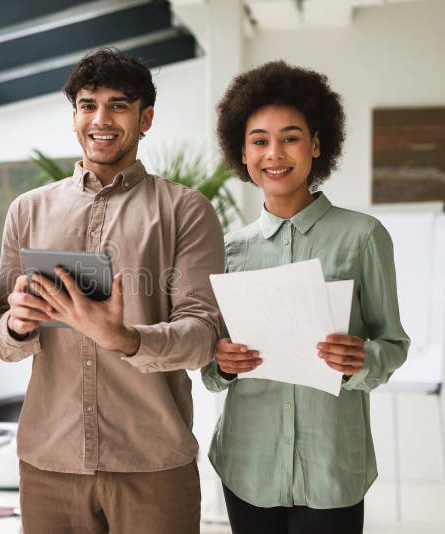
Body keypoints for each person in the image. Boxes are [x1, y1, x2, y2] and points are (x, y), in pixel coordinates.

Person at [0, 48, 225, 534]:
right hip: (49, 462)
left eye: (118, 105)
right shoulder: (28, 211)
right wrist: (15, 323)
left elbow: (203, 335)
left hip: (152, 461)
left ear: (146, 118)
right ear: (74, 116)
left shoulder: (186, 210)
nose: (101, 119)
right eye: (87, 104)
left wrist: (126, 339)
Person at [202, 61, 410, 534]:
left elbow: (392, 345)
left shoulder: (363, 237)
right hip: (247, 462)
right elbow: (212, 370)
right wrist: (222, 363)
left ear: (317, 144)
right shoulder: (230, 249)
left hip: (331, 464)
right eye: (259, 140)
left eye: (290, 137)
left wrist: (359, 358)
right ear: (243, 151)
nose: (274, 153)